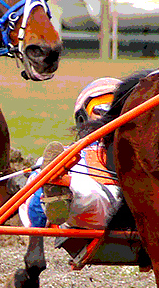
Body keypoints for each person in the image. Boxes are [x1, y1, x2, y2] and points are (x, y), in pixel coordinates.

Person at [18, 77, 123, 230]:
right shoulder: (64, 153)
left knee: (89, 193)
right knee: (85, 191)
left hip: (125, 205)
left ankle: (58, 189)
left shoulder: (134, 149)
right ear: (83, 118)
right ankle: (57, 190)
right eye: (102, 109)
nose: (109, 116)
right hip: (89, 207)